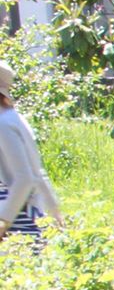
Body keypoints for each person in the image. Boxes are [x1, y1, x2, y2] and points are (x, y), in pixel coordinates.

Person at [0, 62, 63, 245]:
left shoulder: (3, 124)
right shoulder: (14, 118)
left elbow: (25, 178)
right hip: (28, 215)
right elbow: (37, 171)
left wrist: (3, 221)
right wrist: (55, 211)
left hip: (18, 222)